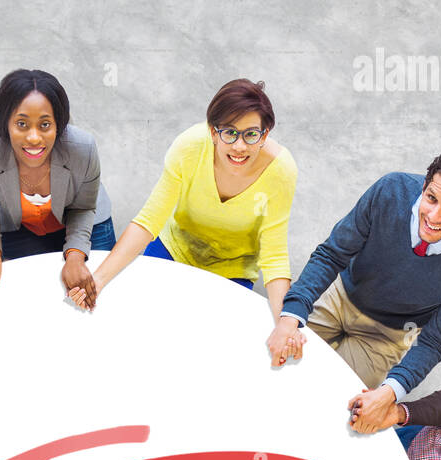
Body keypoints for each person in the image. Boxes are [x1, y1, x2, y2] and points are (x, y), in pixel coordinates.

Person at [265, 146, 441, 406]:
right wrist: (292, 314)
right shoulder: (391, 190)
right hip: (341, 294)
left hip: (387, 335)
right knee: (271, 361)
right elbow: (332, 254)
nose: (434, 216)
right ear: (424, 187)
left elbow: (435, 341)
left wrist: (390, 392)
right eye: (431, 198)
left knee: (324, 402)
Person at [67, 79, 296, 318]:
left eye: (251, 134)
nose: (239, 146)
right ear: (213, 132)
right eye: (229, 132)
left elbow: (275, 255)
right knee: (136, 313)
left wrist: (285, 323)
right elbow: (148, 221)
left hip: (234, 267)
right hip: (174, 247)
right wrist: (99, 280)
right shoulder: (190, 147)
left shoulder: (281, 170)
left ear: (264, 135)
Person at [0, 68, 115, 304]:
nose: (34, 138)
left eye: (45, 125)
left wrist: (75, 256)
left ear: (59, 125)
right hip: (20, 229)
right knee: (36, 300)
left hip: (86, 220)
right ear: (4, 124)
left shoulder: (83, 148)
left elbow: (83, 208)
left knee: (96, 296)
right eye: (22, 124)